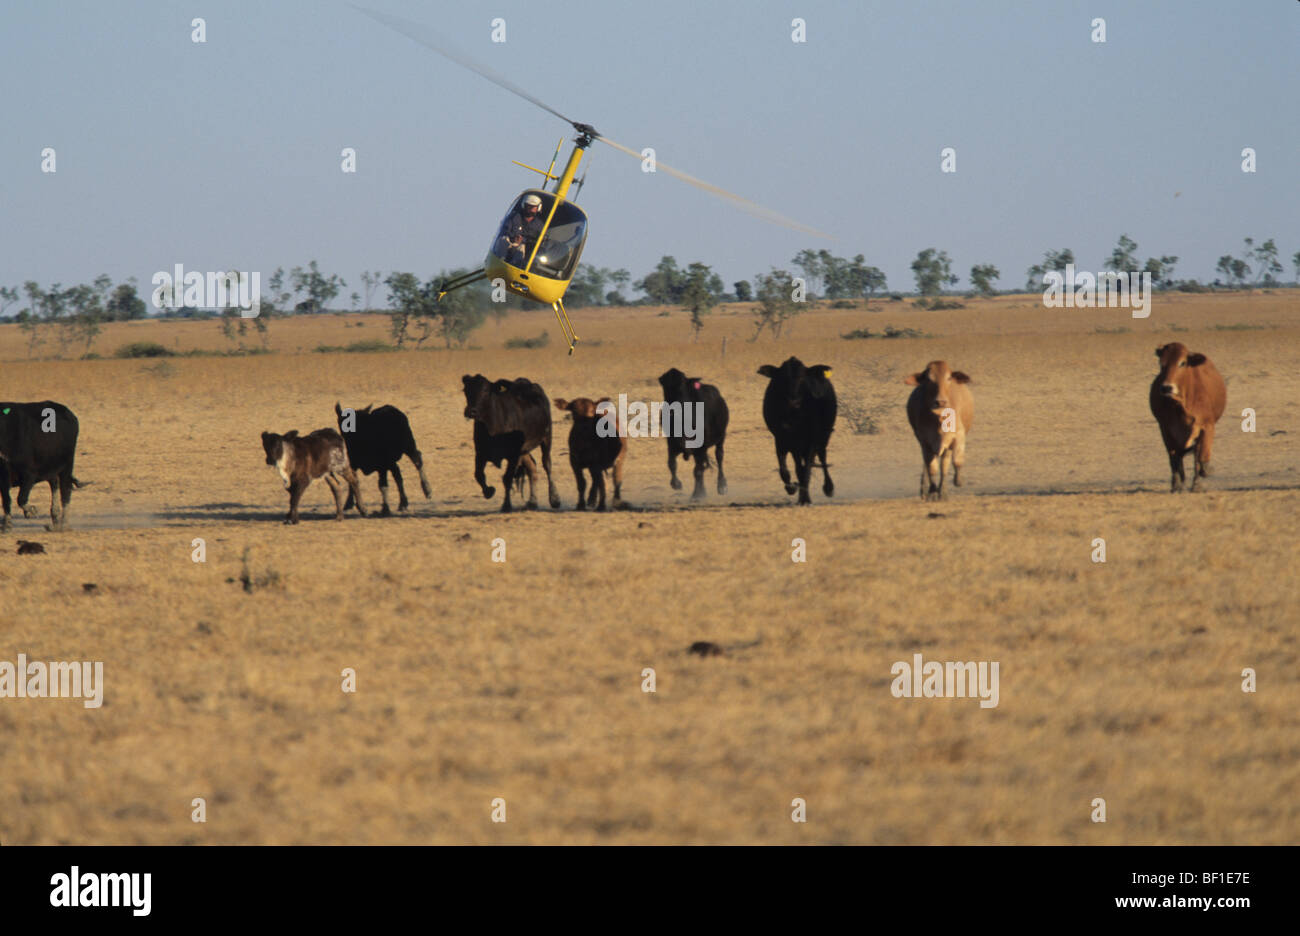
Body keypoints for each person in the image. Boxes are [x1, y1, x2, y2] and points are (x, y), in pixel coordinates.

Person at [496, 194, 546, 267]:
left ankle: (516, 265)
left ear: (538, 208)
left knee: (521, 249)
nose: (531, 209)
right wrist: (513, 238)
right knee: (503, 240)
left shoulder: (539, 225)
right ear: (524, 205)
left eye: (533, 207)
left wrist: (522, 240)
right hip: (511, 243)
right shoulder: (514, 217)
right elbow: (505, 229)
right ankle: (499, 262)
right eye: (529, 206)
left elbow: (540, 240)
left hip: (524, 246)